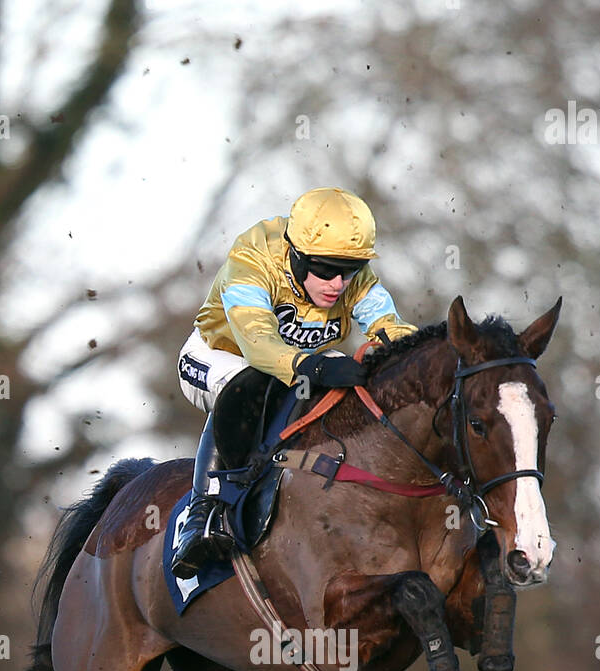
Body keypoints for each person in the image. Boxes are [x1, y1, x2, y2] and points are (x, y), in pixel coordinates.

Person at [171, 186, 418, 578]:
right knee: (248, 383)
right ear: (296, 255)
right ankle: (203, 513)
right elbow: (258, 345)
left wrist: (426, 356)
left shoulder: (350, 275)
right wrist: (316, 368)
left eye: (348, 270)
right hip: (219, 356)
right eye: (324, 270)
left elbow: (391, 328)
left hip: (292, 366)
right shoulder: (252, 260)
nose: (338, 283)